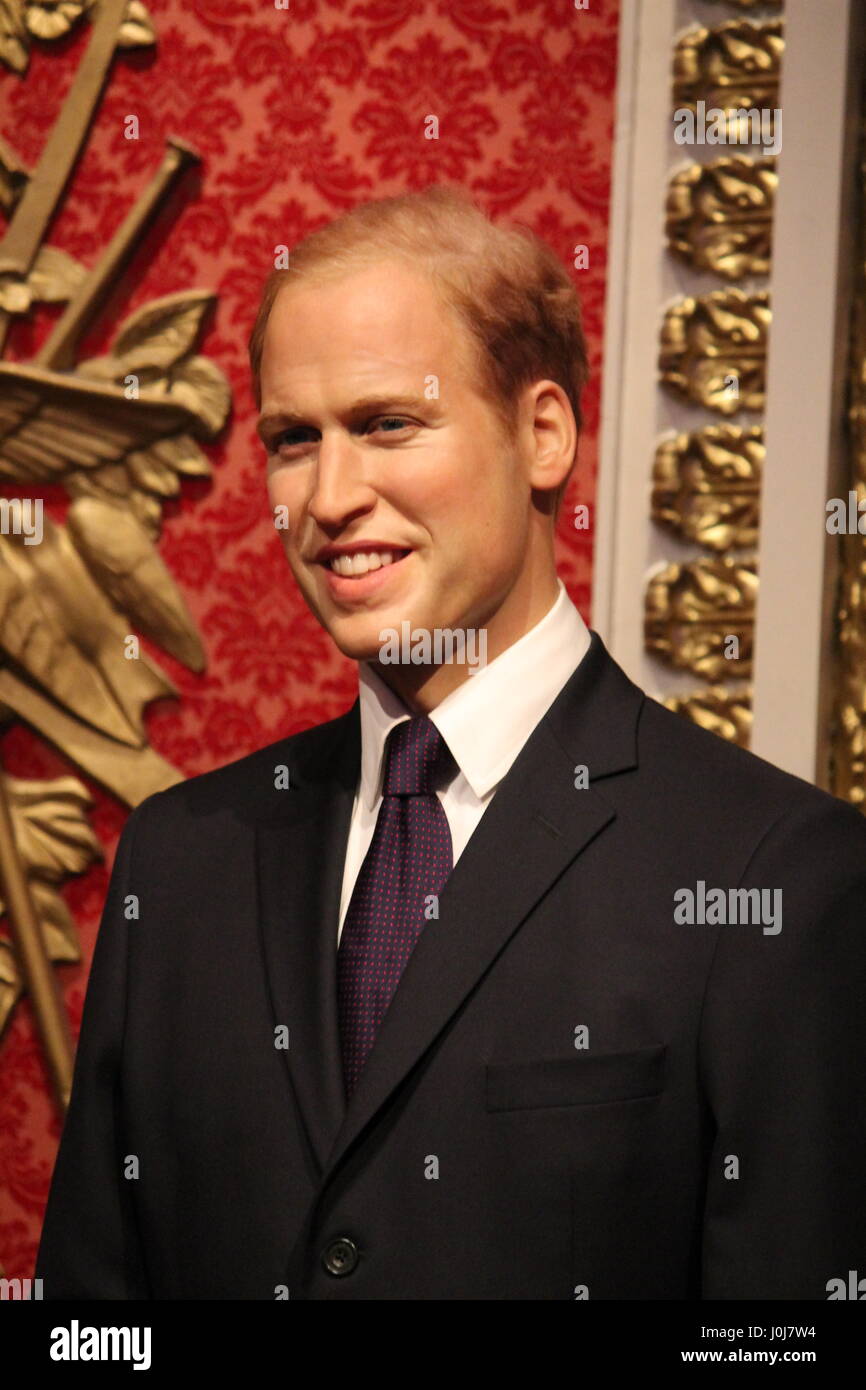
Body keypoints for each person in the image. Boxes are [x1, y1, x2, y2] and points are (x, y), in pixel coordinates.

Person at [36, 185, 866, 1299]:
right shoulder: (178, 861)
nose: (329, 496)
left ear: (541, 432)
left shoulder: (771, 871)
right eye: (293, 440)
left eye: (386, 424)